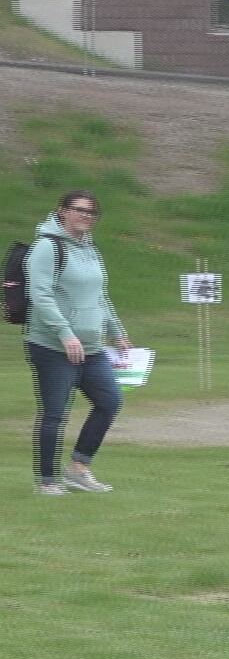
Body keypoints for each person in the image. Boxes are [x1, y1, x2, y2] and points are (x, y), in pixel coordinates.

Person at [23, 190, 127, 496]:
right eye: (79, 210)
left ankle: (78, 469)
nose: (85, 216)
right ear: (62, 211)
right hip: (52, 346)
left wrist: (116, 331)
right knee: (55, 412)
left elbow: (100, 296)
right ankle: (47, 481)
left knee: (109, 401)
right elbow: (39, 294)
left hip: (91, 346)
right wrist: (64, 332)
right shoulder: (47, 246)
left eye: (91, 212)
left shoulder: (89, 249)